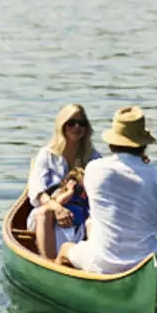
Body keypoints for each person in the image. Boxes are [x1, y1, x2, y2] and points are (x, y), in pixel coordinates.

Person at [58, 106, 157, 286]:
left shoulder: (95, 169)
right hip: (146, 264)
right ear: (143, 145)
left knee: (64, 250)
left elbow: (87, 178)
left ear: (111, 144)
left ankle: (69, 290)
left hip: (103, 263)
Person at [26, 104, 99, 259]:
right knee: (44, 213)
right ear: (62, 126)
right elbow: (36, 191)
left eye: (82, 123)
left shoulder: (93, 157)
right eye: (71, 123)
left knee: (96, 220)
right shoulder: (47, 155)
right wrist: (57, 208)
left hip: (82, 211)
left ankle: (96, 264)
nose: (77, 127)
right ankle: (50, 264)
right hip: (48, 211)